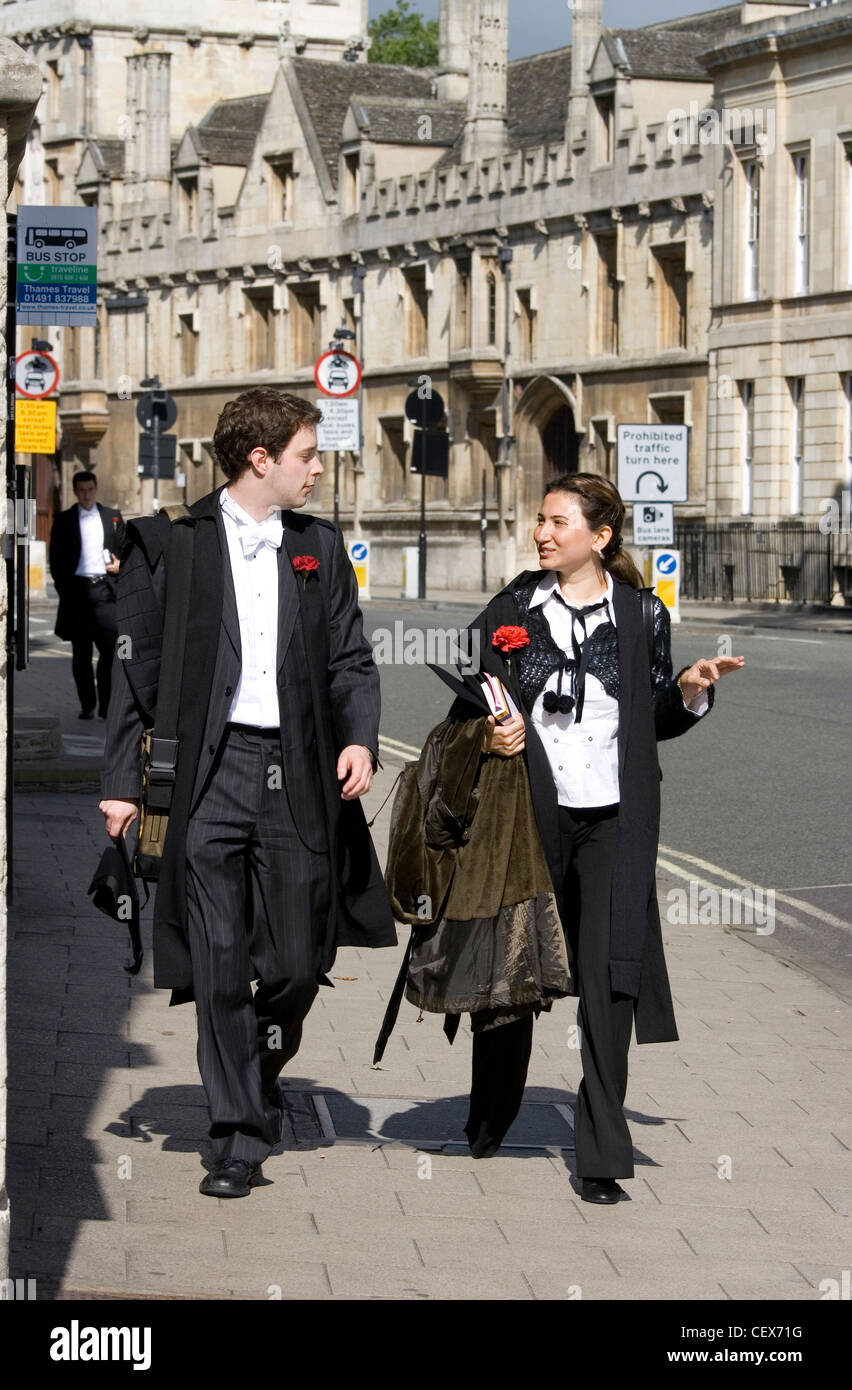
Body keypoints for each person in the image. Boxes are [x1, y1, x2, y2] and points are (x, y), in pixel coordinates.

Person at [99, 388, 396, 1199]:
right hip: (206, 778)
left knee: (299, 961)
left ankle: (257, 1065)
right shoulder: (173, 546)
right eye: (308, 453)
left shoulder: (319, 547)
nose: (318, 468)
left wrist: (361, 737)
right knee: (221, 959)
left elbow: (350, 659)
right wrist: (125, 787)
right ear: (261, 459)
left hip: (297, 774)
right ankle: (235, 1133)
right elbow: (138, 679)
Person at [450, 473, 744, 1202]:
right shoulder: (514, 606)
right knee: (511, 970)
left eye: (557, 522)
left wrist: (690, 691)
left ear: (600, 537)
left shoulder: (642, 613)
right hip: (529, 817)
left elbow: (653, 719)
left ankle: (603, 1152)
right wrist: (495, 724)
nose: (542, 533)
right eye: (540, 520)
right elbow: (473, 693)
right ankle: (491, 1114)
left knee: (612, 979)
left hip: (614, 820)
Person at [48, 470, 125, 718]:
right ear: (75, 491)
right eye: (81, 490)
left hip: (105, 591)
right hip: (77, 594)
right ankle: (87, 706)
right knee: (81, 655)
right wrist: (65, 591)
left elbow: (125, 549)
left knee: (111, 651)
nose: (86, 494)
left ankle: (106, 705)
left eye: (90, 489)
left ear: (96, 488)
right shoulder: (63, 520)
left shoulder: (112, 517)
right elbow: (56, 560)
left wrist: (120, 566)